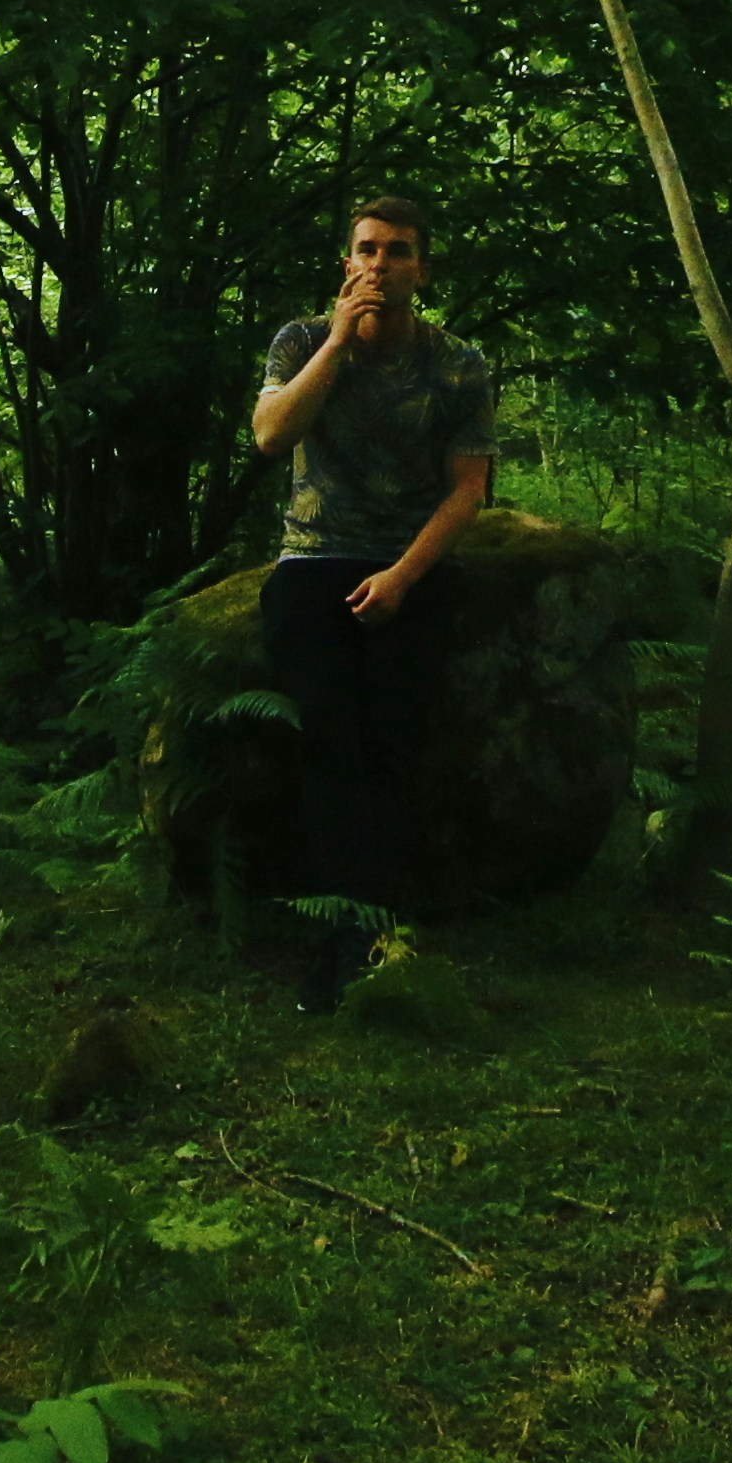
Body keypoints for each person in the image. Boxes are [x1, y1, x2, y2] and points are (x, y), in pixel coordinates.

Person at [244, 196, 497, 1010]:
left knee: (396, 737)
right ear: (347, 264)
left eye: (397, 252)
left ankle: (384, 928)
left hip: (407, 566)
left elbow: (468, 492)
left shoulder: (457, 364)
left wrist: (403, 577)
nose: (380, 265)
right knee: (326, 736)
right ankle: (345, 930)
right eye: (366, 251)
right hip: (314, 564)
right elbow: (271, 436)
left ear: (422, 269)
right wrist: (337, 347)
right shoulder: (301, 340)